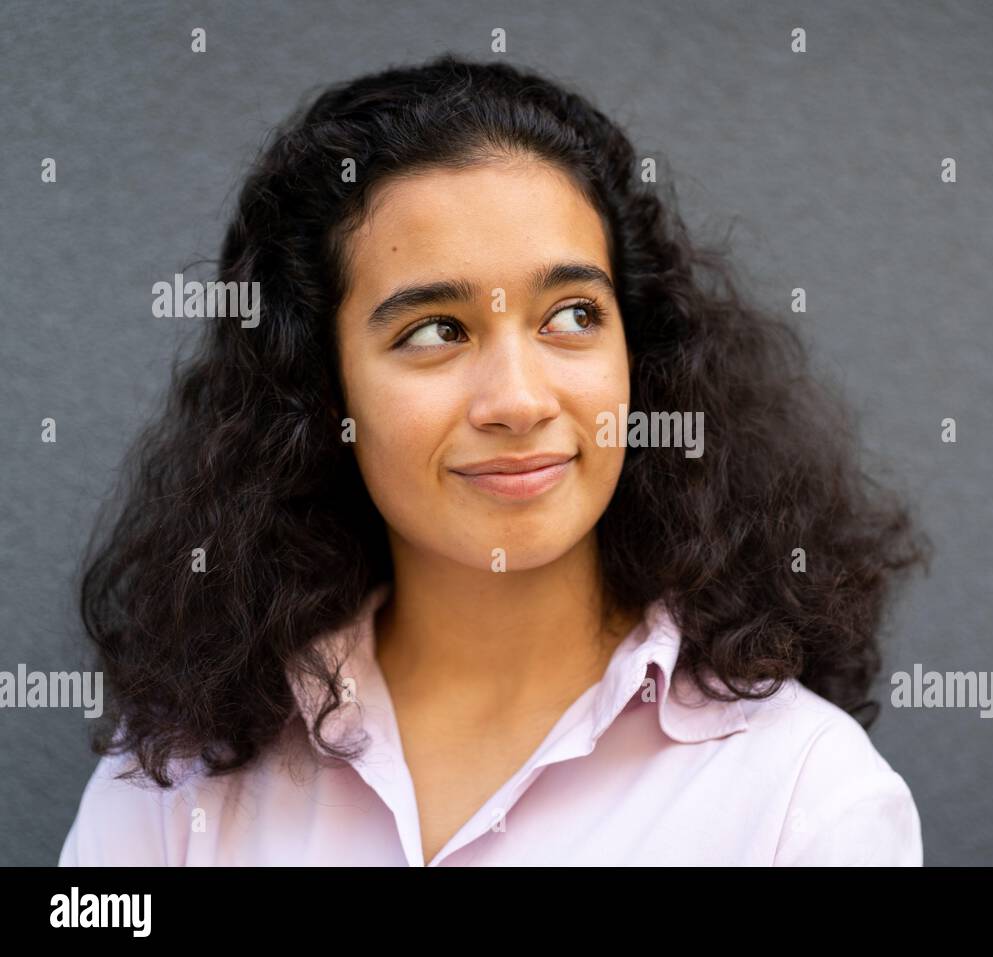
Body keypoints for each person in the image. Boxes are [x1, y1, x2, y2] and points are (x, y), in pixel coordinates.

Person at [59, 54, 931, 866]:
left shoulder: (805, 797)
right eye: (436, 331)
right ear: (325, 394)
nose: (518, 400)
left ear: (639, 356)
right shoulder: (182, 772)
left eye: (573, 316)